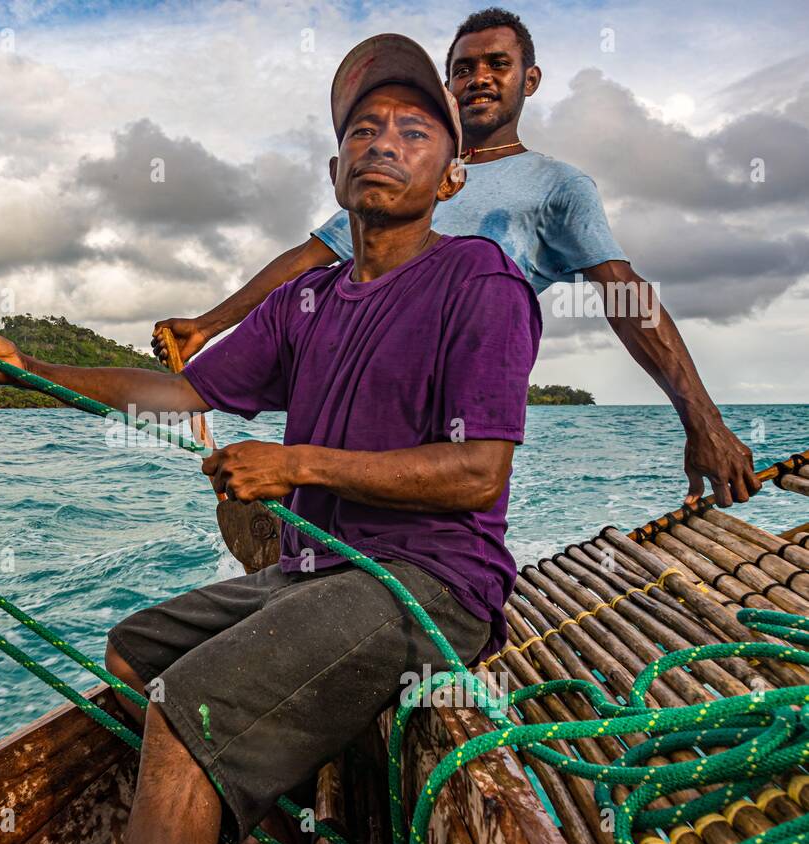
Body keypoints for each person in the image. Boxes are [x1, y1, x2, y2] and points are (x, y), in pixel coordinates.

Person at [0, 34, 542, 844]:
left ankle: (204, 791)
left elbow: (480, 474)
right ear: (335, 177)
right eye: (363, 131)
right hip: (313, 573)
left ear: (452, 177)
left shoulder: (480, 280)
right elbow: (181, 392)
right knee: (131, 654)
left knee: (193, 706)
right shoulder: (306, 301)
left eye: (413, 132)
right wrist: (27, 369)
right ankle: (229, 818)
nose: (384, 144)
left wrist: (295, 465)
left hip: (432, 583)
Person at [153, 6, 759, 509]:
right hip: (350, 397)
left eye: (499, 64)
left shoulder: (557, 187)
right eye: (463, 69)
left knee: (436, 546)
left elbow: (625, 296)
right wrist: (208, 324)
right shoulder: (398, 171)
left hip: (446, 419)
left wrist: (701, 419)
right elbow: (311, 260)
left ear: (531, 79)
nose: (480, 78)